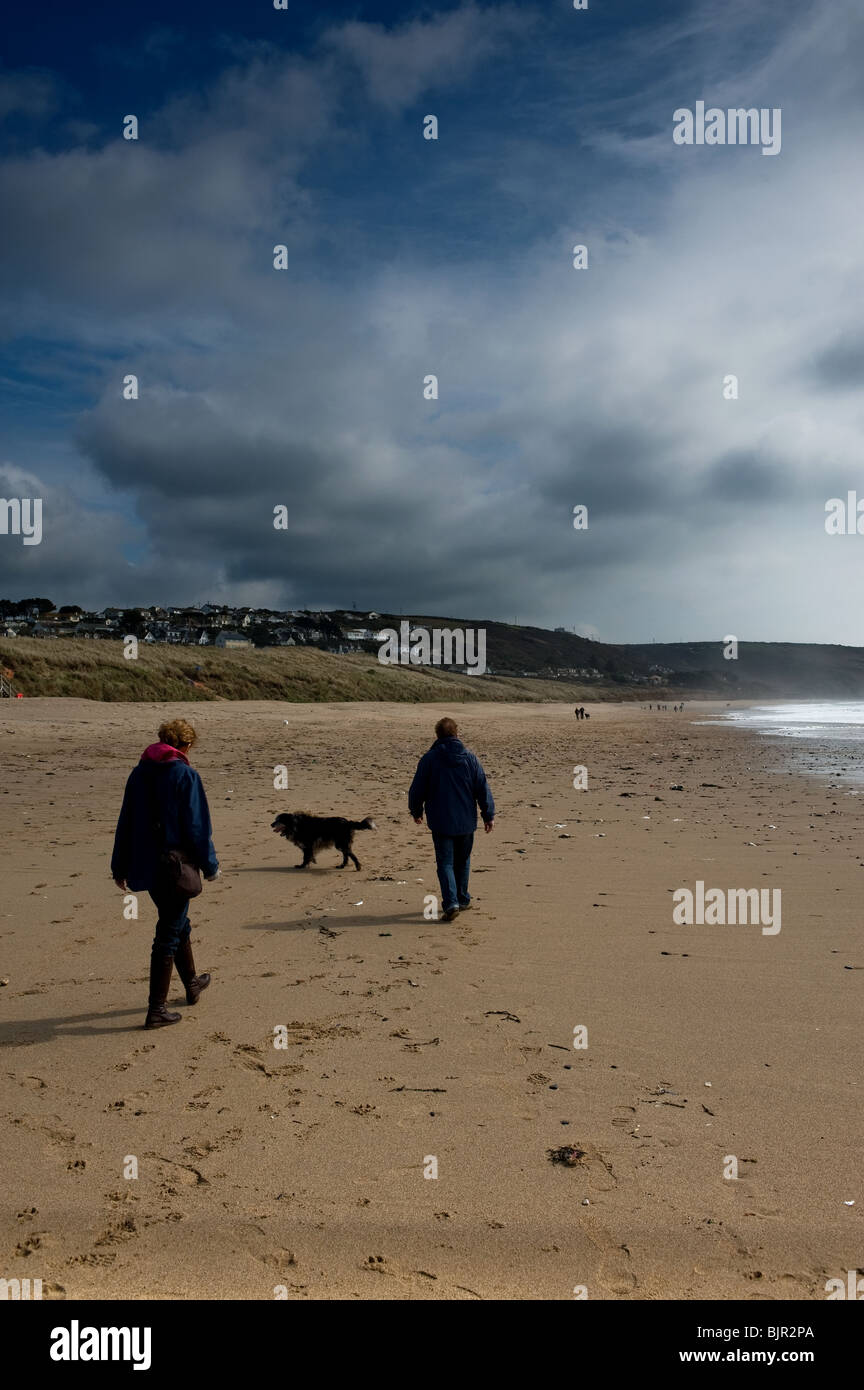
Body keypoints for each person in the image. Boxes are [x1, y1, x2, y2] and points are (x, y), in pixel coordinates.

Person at [111, 719, 219, 1029]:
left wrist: (119, 866)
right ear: (185, 746)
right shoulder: (185, 774)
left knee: (177, 921)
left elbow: (126, 821)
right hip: (174, 867)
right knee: (168, 932)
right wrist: (210, 866)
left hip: (145, 865)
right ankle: (156, 1009)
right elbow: (198, 828)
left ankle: (192, 984)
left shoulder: (139, 772)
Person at [409, 716, 495, 923]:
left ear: (437, 735)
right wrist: (488, 814)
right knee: (462, 860)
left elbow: (417, 788)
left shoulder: (430, 759)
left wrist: (416, 810)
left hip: (441, 820)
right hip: (465, 820)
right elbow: (482, 788)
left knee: (446, 862)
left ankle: (453, 902)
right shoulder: (469, 758)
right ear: (457, 733)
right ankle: (461, 899)